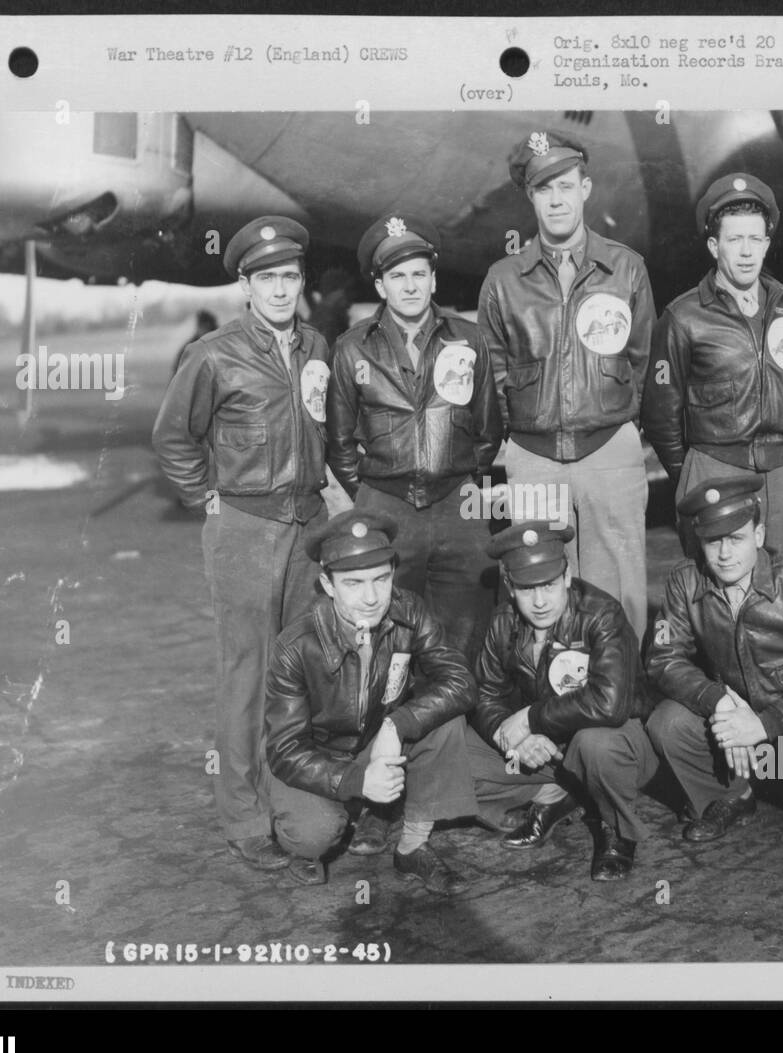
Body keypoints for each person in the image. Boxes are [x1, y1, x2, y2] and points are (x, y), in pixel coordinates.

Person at [152, 216, 330, 872]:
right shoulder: (215, 354)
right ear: (246, 285)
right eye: (266, 279)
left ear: (300, 280)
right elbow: (172, 437)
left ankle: (294, 798)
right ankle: (244, 815)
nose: (280, 289)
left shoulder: (317, 346)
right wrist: (209, 494)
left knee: (299, 674)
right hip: (246, 531)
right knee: (247, 675)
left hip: (306, 529)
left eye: (289, 276)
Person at [478, 129, 656, 639]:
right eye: (543, 189)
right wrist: (523, 438)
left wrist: (617, 425)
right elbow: (493, 373)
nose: (555, 200)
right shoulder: (503, 279)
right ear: (530, 197)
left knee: (619, 589)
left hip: (610, 449)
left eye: (565, 185)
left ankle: (622, 705)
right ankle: (549, 705)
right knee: (541, 590)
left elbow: (643, 361)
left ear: (586, 188)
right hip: (533, 456)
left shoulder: (625, 268)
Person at [264, 510, 480, 894]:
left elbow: (460, 681)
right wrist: (357, 780)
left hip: (374, 745)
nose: (371, 597)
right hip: (316, 760)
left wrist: (397, 726)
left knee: (444, 721)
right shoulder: (295, 645)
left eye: (381, 579)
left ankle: (412, 845)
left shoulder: (408, 610)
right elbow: (284, 750)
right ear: (327, 585)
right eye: (353, 583)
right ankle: (357, 810)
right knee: (315, 834)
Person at [645, 478, 783, 846]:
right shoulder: (685, 582)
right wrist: (717, 699)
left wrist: (766, 723)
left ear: (759, 535)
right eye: (714, 541)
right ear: (700, 540)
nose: (725, 553)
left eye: (737, 538)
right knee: (666, 724)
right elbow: (662, 658)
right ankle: (731, 795)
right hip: (730, 714)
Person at [327, 211, 501, 659]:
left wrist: (456, 477)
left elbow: (488, 428)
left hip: (457, 506)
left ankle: (461, 726)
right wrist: (372, 491)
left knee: (467, 629)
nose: (410, 286)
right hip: (386, 507)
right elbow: (339, 441)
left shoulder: (469, 339)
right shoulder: (351, 348)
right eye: (397, 275)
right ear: (380, 286)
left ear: (434, 280)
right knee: (387, 633)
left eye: (419, 274)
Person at [642, 173, 783, 569]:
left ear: (767, 243)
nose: (746, 252)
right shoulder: (683, 317)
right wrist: (694, 471)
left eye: (755, 239)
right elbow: (659, 414)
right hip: (716, 468)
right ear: (713, 245)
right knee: (717, 594)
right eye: (734, 239)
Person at [465, 521, 657, 881]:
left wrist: (532, 719)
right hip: (550, 753)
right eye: (526, 588)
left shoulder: (601, 614)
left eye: (550, 585)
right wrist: (517, 740)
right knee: (456, 756)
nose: (539, 602)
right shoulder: (503, 621)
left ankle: (616, 830)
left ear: (567, 577)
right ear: (509, 585)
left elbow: (610, 704)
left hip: (616, 745)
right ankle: (556, 794)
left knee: (594, 743)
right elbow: (485, 695)